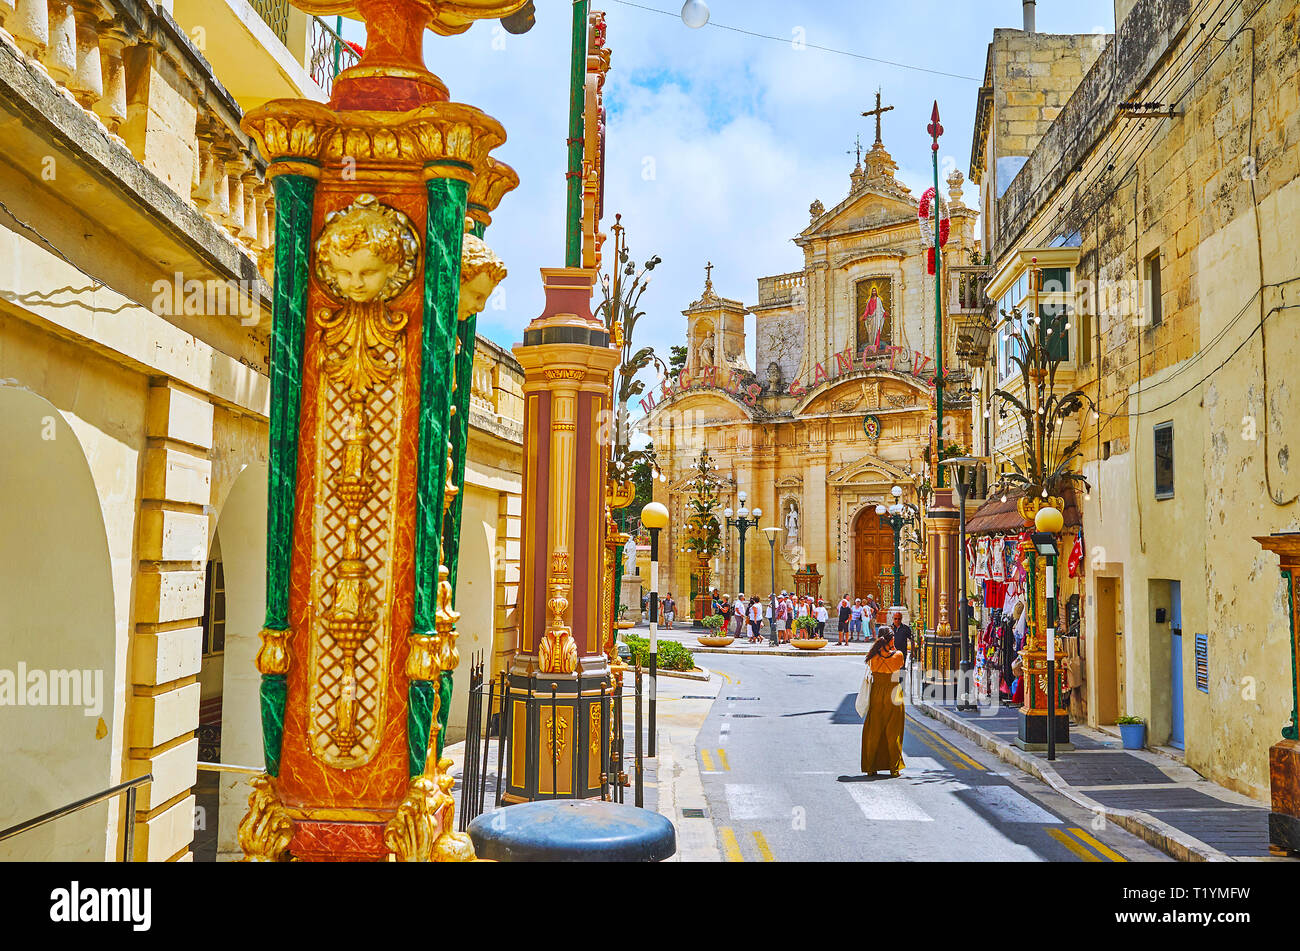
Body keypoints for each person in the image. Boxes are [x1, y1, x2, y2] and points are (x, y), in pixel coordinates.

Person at [860, 627, 906, 777]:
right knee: (894, 731)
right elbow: (899, 665)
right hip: (894, 693)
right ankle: (894, 768)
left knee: (873, 730)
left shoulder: (872, 657)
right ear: (891, 639)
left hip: (876, 693)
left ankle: (871, 766)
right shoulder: (898, 655)